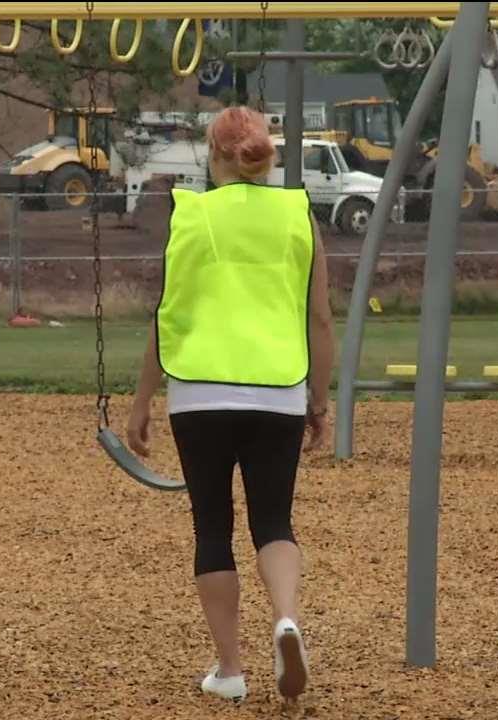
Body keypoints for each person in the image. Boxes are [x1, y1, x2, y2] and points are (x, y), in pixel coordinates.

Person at [125, 106, 335, 703]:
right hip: (277, 387)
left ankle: (230, 669)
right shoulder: (298, 213)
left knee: (211, 525)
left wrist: (142, 399)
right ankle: (286, 618)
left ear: (213, 157)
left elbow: (169, 315)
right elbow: (318, 317)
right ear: (265, 159)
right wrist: (319, 399)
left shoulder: (190, 213)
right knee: (274, 519)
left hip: (198, 387)